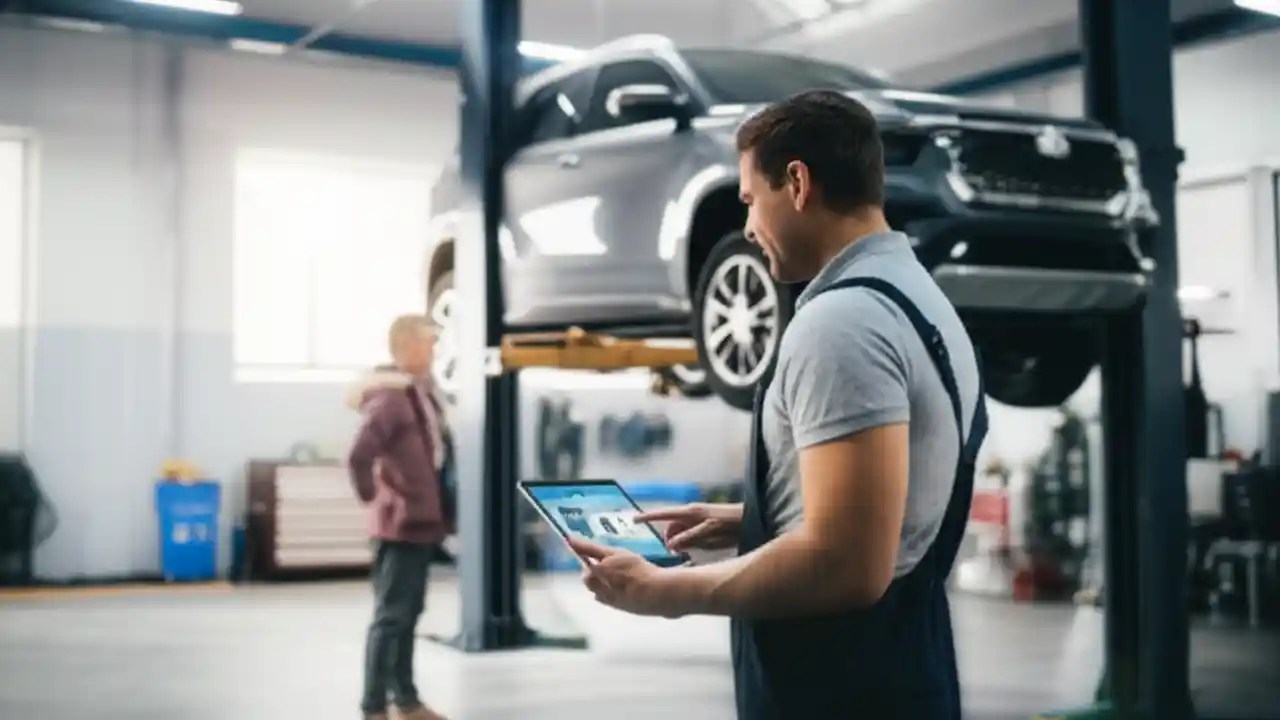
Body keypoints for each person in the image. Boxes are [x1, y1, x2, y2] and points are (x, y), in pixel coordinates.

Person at [567, 90, 988, 718]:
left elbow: (846, 565)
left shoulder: (843, 323)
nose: (745, 227)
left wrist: (663, 591)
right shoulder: (920, 302)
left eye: (747, 200)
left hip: (838, 688)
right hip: (903, 669)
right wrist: (753, 519)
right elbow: (894, 505)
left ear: (796, 182)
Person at [347, 314, 451, 720]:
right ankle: (374, 707)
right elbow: (358, 455)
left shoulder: (417, 394)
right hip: (400, 524)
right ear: (405, 345)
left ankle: (405, 700)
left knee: (408, 615)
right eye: (429, 341)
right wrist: (378, 499)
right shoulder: (390, 398)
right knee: (390, 619)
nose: (434, 349)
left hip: (421, 522)